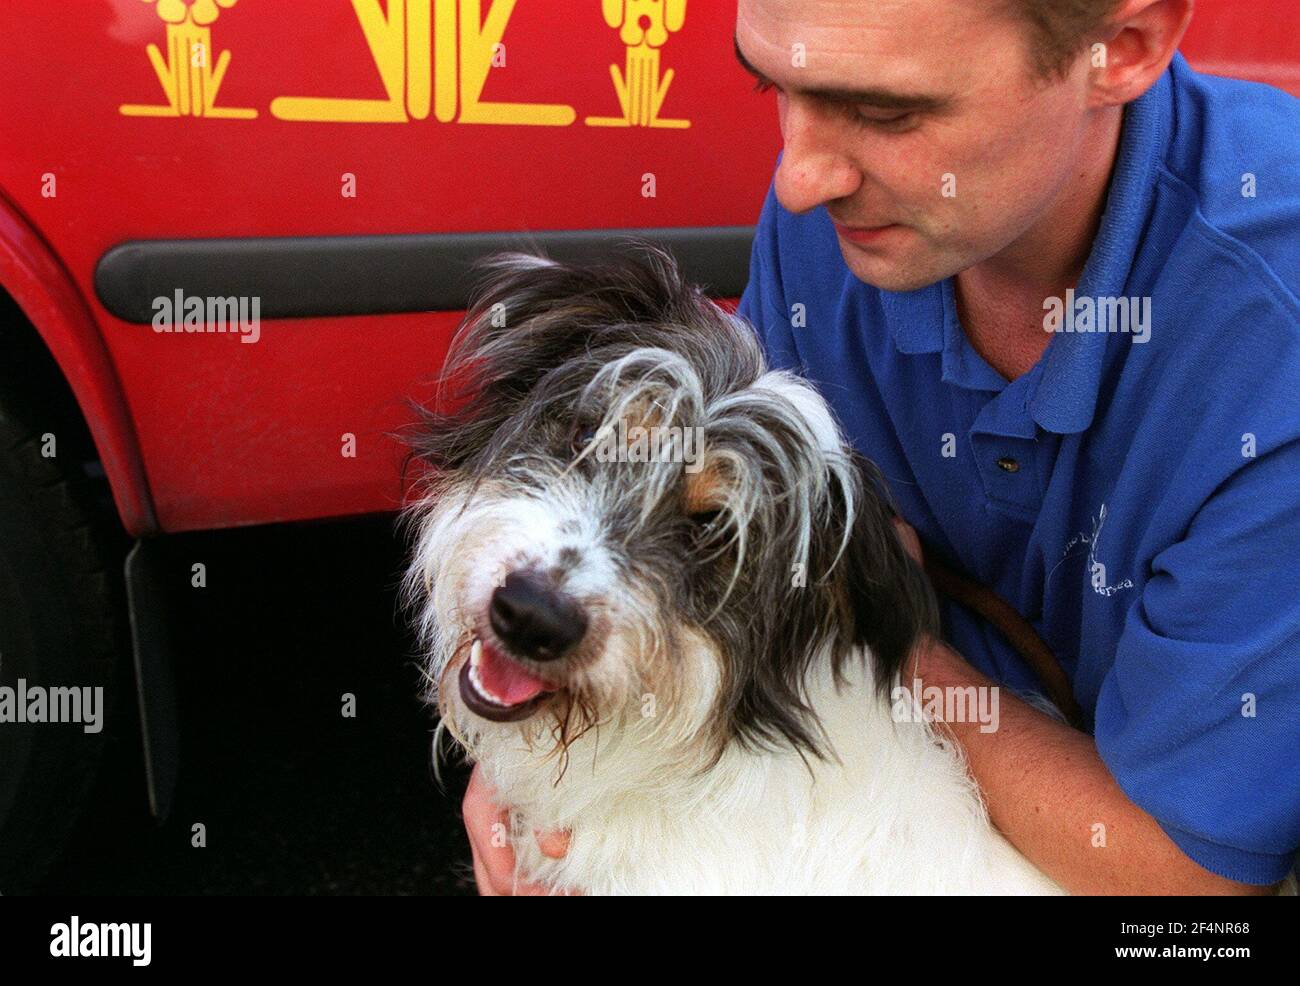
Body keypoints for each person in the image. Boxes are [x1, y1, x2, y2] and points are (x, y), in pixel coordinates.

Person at [464, 0, 1300, 894]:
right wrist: (529, 739)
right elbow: (720, 537)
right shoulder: (855, 219)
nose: (798, 180)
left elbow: (1180, 879)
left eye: (887, 113)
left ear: (1121, 50)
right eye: (775, 85)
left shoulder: (1270, 344)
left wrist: (896, 635)